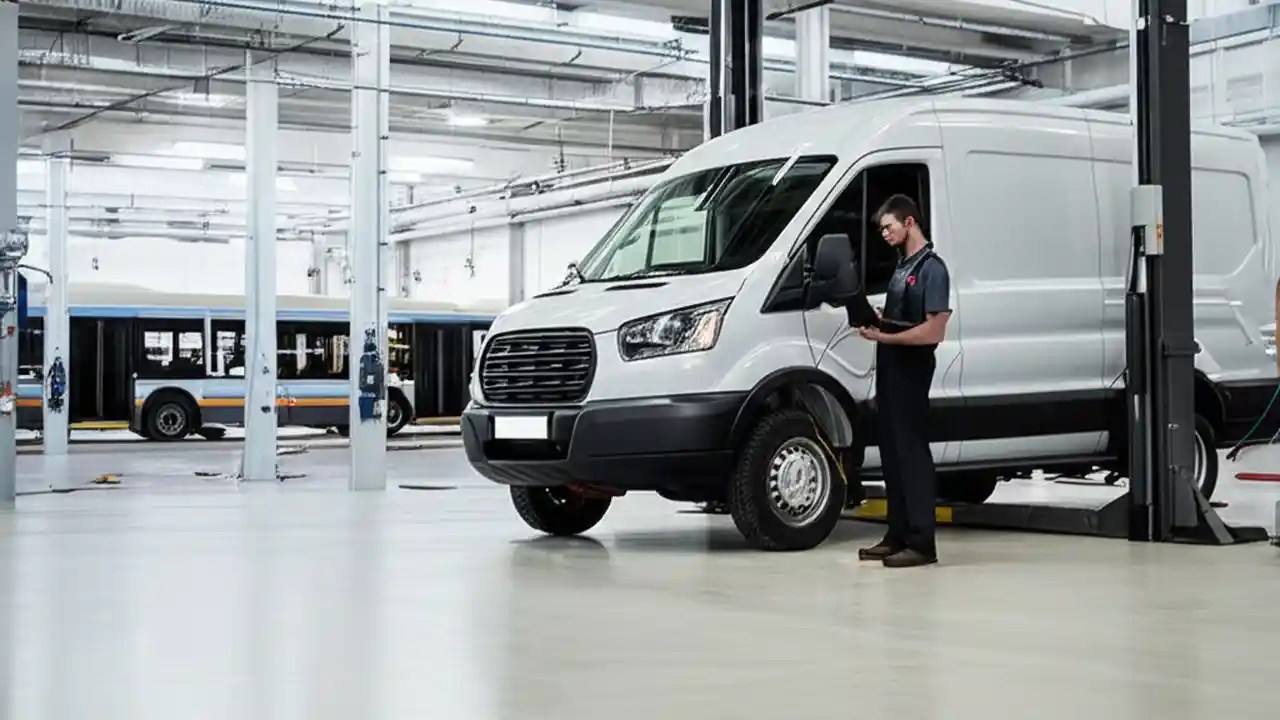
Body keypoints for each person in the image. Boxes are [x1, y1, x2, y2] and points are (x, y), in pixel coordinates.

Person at [853, 193, 952, 568]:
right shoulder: (901, 266)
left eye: (888, 227)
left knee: (912, 453)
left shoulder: (932, 269)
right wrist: (877, 320)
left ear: (909, 222)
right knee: (893, 454)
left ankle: (922, 542)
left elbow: (933, 331)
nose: (884, 234)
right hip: (891, 368)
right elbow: (904, 319)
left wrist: (885, 338)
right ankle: (896, 534)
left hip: (911, 370)